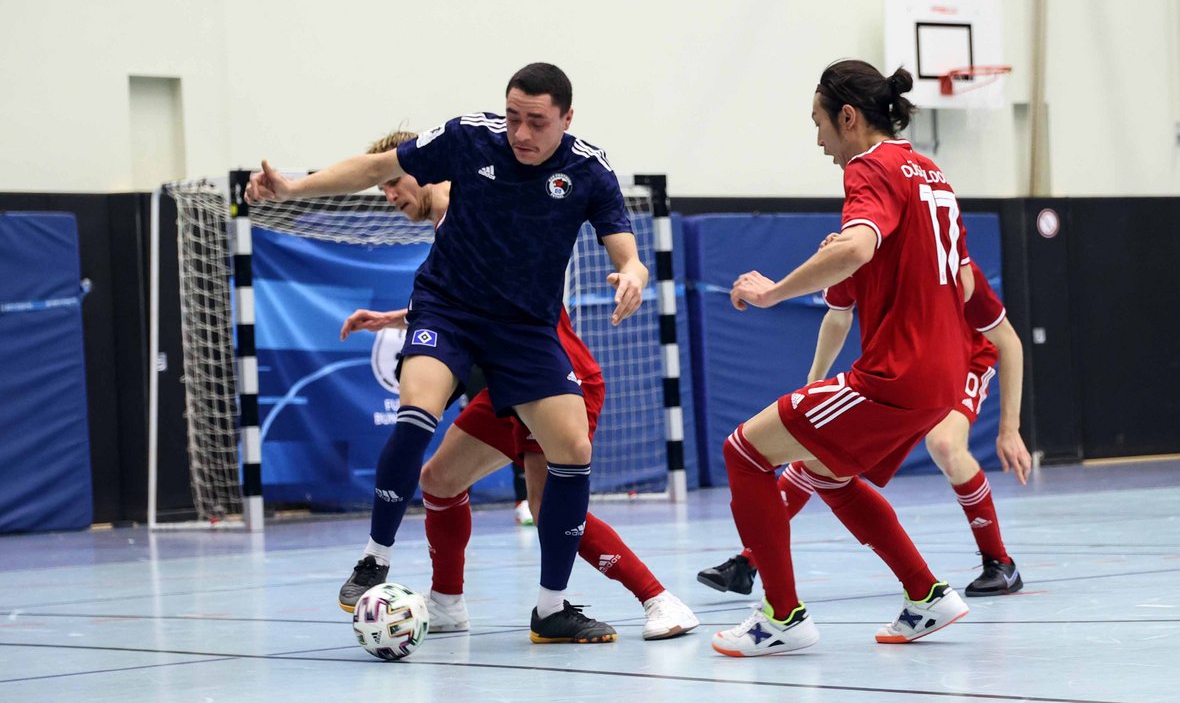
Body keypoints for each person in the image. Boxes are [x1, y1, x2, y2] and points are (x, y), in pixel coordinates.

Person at [246, 63, 648, 643]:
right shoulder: (467, 137)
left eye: (537, 122)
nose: (521, 133)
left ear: (566, 118)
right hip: (448, 310)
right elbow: (377, 166)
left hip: (525, 329)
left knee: (572, 449)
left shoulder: (588, 170)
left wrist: (631, 273)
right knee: (418, 410)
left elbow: (624, 252)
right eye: (513, 117)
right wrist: (292, 185)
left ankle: (551, 609)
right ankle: (375, 557)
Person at [338, 129, 698, 640]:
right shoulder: (455, 223)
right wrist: (399, 319)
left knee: (546, 501)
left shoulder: (482, 195)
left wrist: (630, 266)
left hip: (554, 374)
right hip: (504, 381)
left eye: (391, 182)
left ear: (427, 167)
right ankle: (445, 604)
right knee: (439, 480)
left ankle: (658, 599)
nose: (389, 195)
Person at [709, 59, 974, 657]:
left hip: (896, 372)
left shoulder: (869, 166)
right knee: (829, 473)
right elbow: (949, 277)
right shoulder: (931, 172)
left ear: (848, 117)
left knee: (744, 452)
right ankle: (926, 595)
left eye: (820, 123)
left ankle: (781, 616)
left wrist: (773, 291)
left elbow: (857, 246)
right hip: (945, 372)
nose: (820, 140)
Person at [698, 260, 1032, 599]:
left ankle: (999, 561)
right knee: (820, 448)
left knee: (945, 444)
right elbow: (837, 315)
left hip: (960, 361)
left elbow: (1009, 342)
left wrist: (1009, 428)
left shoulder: (944, 261)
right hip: (906, 369)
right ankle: (750, 561)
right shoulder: (860, 249)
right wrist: (814, 383)